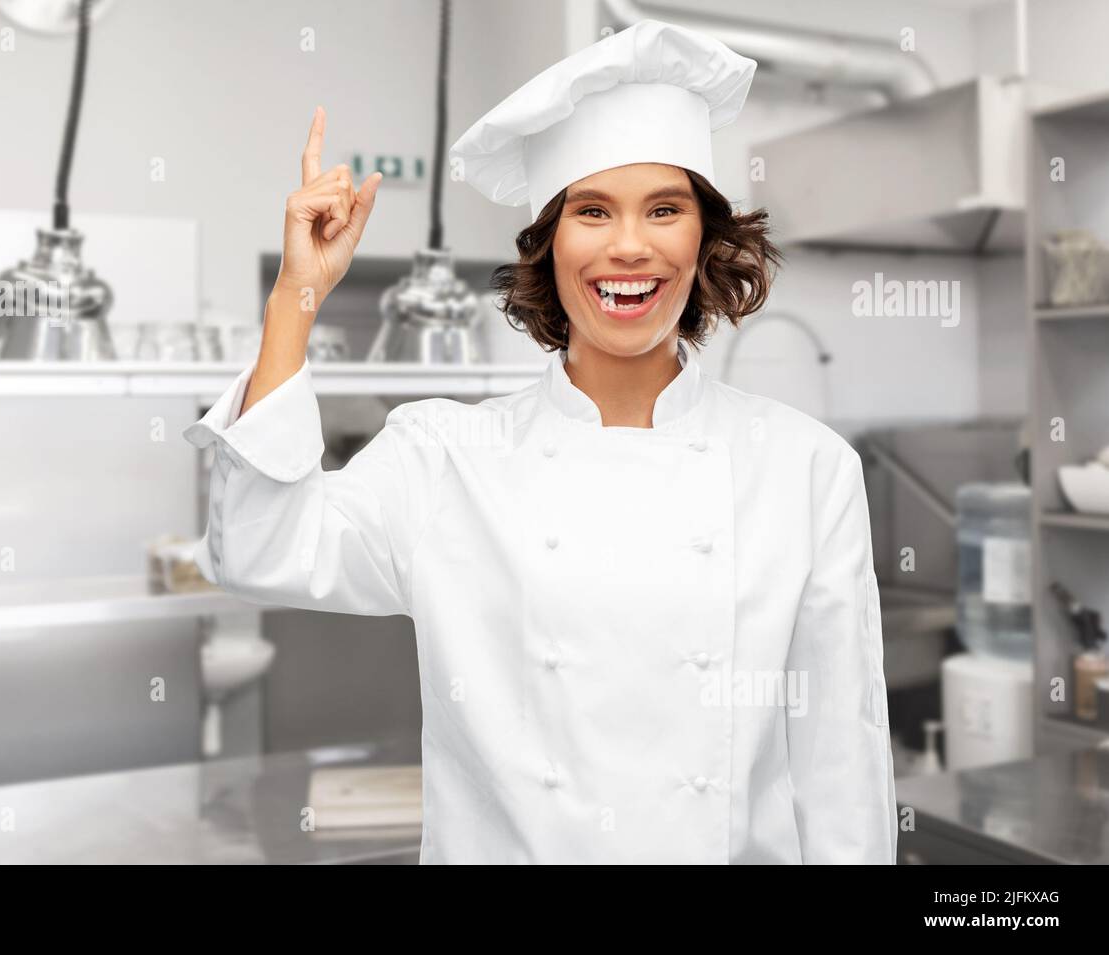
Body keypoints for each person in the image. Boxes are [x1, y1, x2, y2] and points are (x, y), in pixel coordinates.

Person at [184, 18, 898, 864]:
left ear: (702, 238)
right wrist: (296, 295)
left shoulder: (806, 467)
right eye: (592, 211)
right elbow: (262, 553)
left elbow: (840, 762)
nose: (629, 245)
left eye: (664, 209)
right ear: (549, 245)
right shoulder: (444, 456)